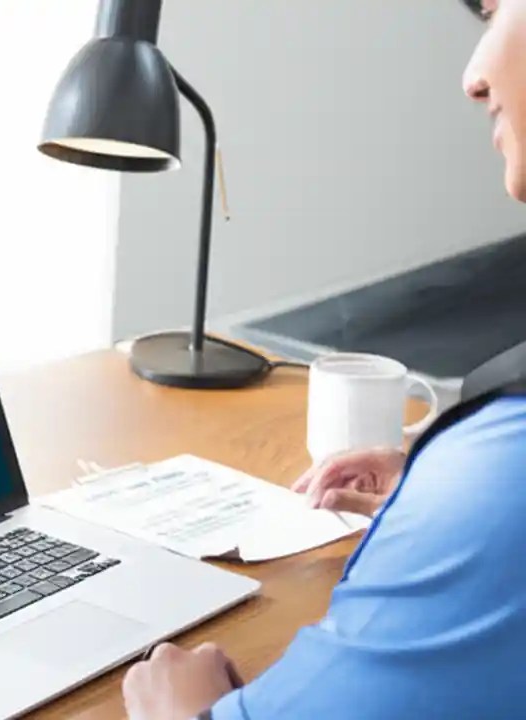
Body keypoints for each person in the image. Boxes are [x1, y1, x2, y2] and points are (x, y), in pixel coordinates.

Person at [123, 1, 526, 717]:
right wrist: (438, 483)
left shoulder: (503, 478)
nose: (473, 76)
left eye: (496, 11)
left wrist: (179, 709)